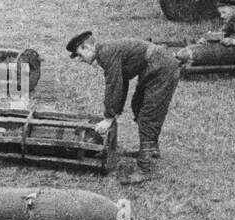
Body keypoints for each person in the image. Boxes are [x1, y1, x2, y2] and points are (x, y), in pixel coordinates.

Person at [66, 31, 179, 185]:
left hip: (161, 67)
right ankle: (151, 148)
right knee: (138, 105)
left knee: (148, 114)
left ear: (86, 47)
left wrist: (108, 118)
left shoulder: (105, 53)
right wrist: (115, 112)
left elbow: (113, 85)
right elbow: (121, 82)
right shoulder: (105, 51)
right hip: (154, 65)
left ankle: (144, 169)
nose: (80, 60)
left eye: (79, 55)